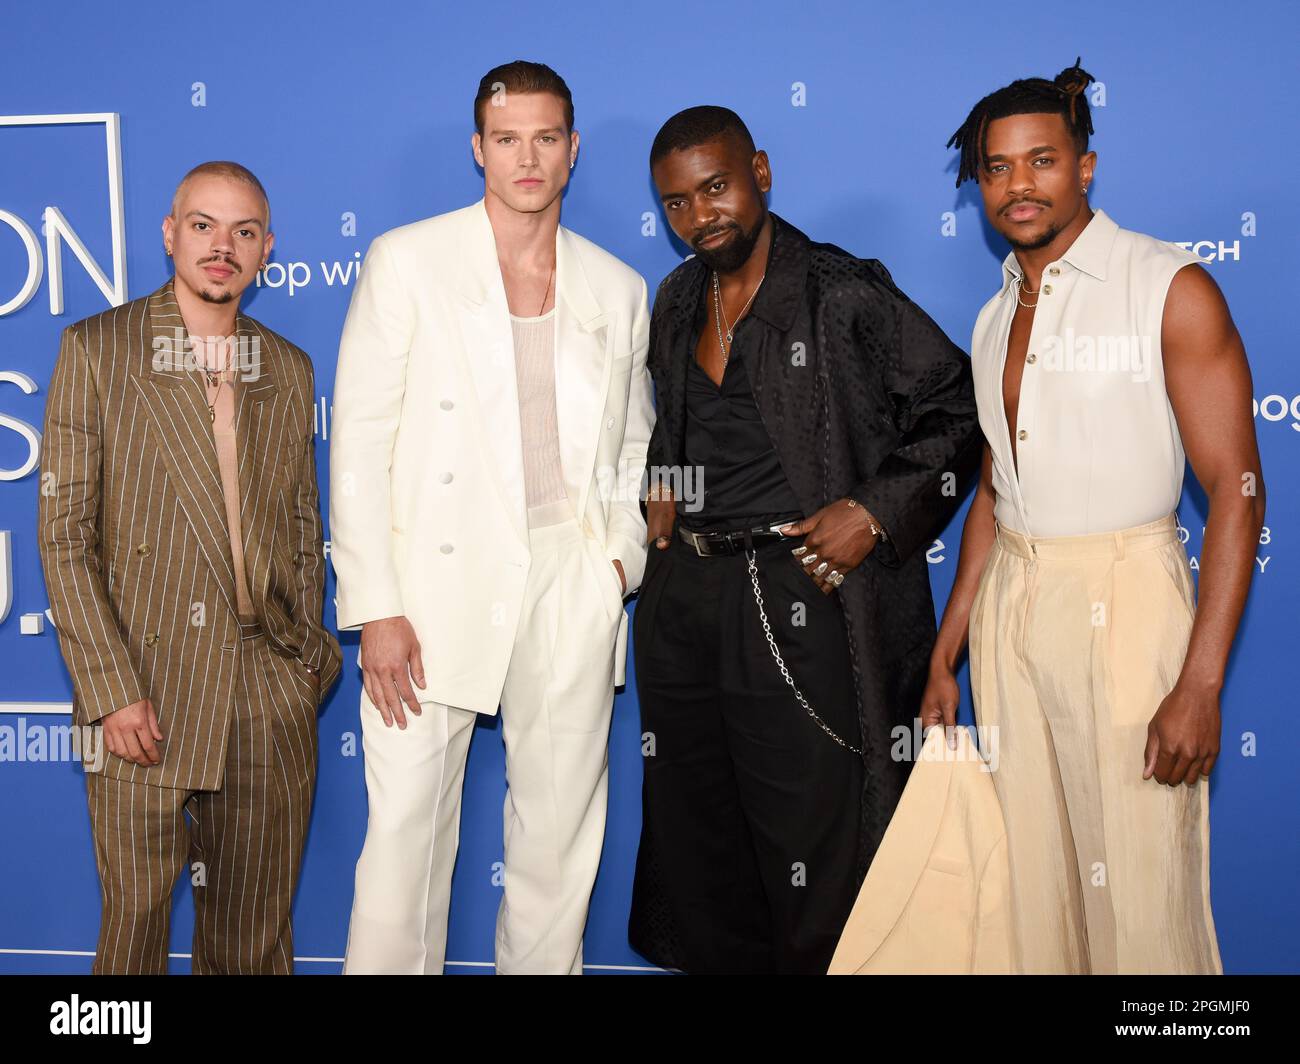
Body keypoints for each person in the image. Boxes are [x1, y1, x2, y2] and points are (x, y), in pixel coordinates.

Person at [922, 59, 1264, 973]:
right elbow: (997, 489)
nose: (1017, 185)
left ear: (1086, 166)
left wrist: (1200, 684)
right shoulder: (996, 315)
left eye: (1041, 160)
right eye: (996, 167)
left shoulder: (1166, 285)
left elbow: (1236, 486)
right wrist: (949, 645)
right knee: (1040, 893)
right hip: (1013, 613)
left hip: (1125, 600)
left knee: (1145, 903)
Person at [628, 106, 981, 973]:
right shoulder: (678, 297)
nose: (700, 216)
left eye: (716, 188)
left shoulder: (840, 291)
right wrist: (664, 487)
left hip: (794, 593)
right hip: (686, 600)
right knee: (699, 827)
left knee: (813, 841)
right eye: (676, 203)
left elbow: (958, 410)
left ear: (762, 170)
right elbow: (680, 432)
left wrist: (873, 511)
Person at [331, 60, 654, 975]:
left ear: (572, 150)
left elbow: (634, 448)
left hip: (569, 579)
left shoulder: (618, 288)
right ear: (478, 149)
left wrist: (617, 564)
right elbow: (358, 441)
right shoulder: (408, 260)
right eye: (507, 138)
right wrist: (376, 605)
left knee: (557, 845)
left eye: (546, 138)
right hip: (429, 589)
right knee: (403, 843)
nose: (527, 157)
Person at [38, 160, 341, 974]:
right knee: (133, 929)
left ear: (267, 249)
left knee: (252, 934)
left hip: (266, 685)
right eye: (204, 225)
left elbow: (302, 525)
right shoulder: (97, 350)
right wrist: (110, 690)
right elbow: (65, 536)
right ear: (170, 234)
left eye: (244, 231)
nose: (223, 246)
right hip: (143, 689)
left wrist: (304, 661)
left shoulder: (288, 366)